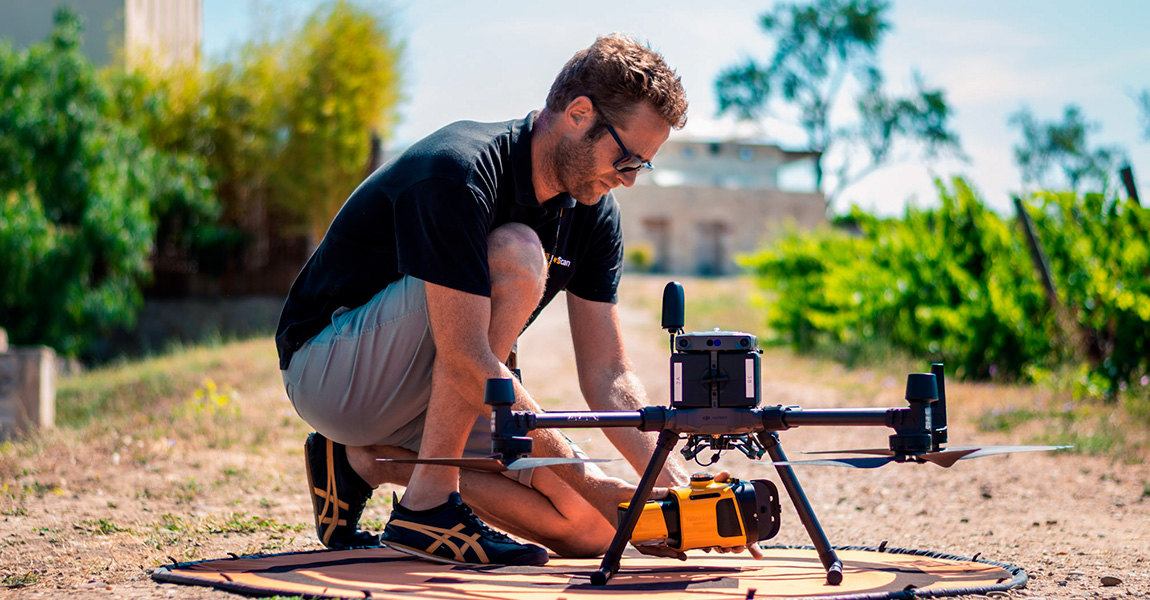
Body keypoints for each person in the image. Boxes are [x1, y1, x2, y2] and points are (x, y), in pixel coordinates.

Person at [276, 33, 735, 566]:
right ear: (579, 114)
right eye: (627, 157)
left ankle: (366, 463)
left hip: (433, 392)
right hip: (330, 371)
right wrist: (587, 476)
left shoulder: (594, 212)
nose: (629, 180)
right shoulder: (460, 171)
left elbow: (608, 372)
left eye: (642, 166)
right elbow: (468, 356)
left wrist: (674, 484)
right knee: (517, 256)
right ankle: (427, 508)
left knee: (593, 529)